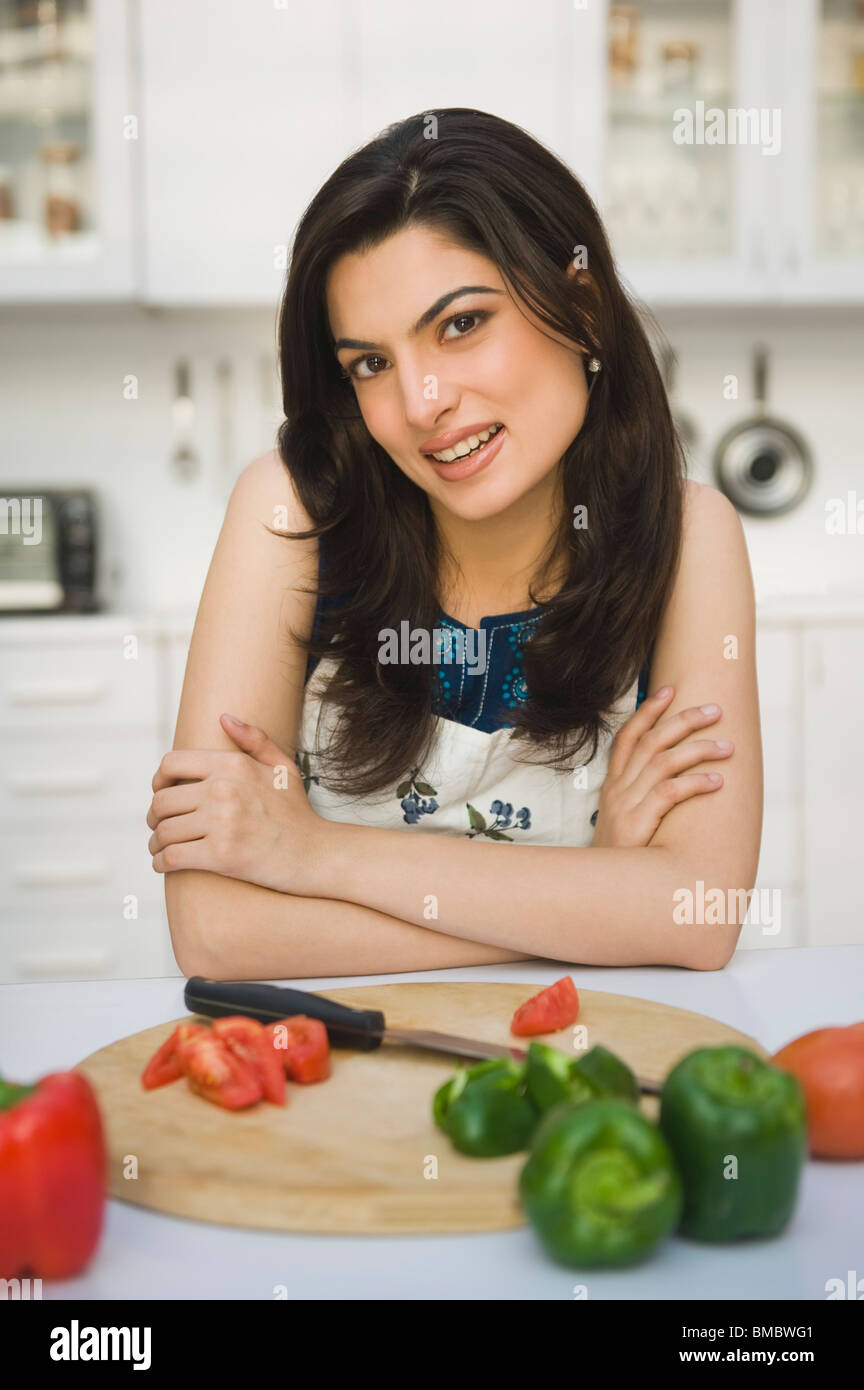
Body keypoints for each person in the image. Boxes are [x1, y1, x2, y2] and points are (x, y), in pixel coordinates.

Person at [147, 109, 762, 980]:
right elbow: (213, 932)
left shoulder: (690, 539)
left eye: (462, 324)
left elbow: (700, 915)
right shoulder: (289, 515)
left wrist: (312, 854)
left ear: (580, 309)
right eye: (371, 364)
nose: (421, 403)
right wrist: (597, 896)